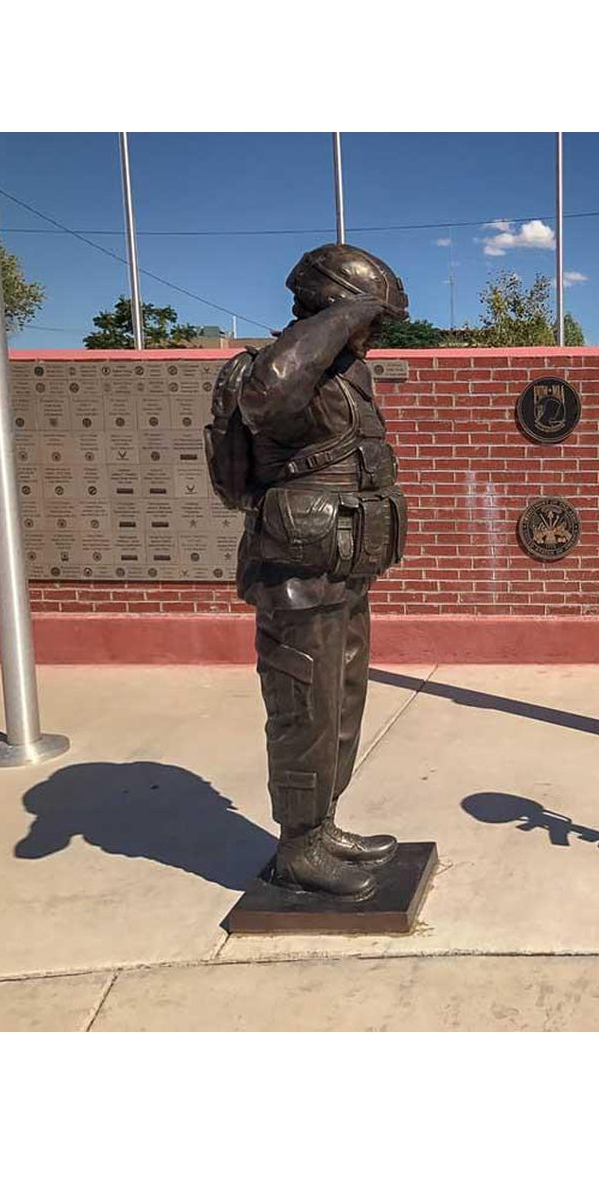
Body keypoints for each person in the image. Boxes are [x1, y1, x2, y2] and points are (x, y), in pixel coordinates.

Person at [230, 244, 409, 898]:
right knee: (304, 704)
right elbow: (269, 393)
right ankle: (298, 846)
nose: (373, 334)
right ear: (334, 310)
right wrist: (346, 313)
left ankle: (321, 826)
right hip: (297, 575)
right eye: (368, 319)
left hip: (343, 567)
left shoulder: (341, 373)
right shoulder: (276, 372)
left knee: (340, 704)